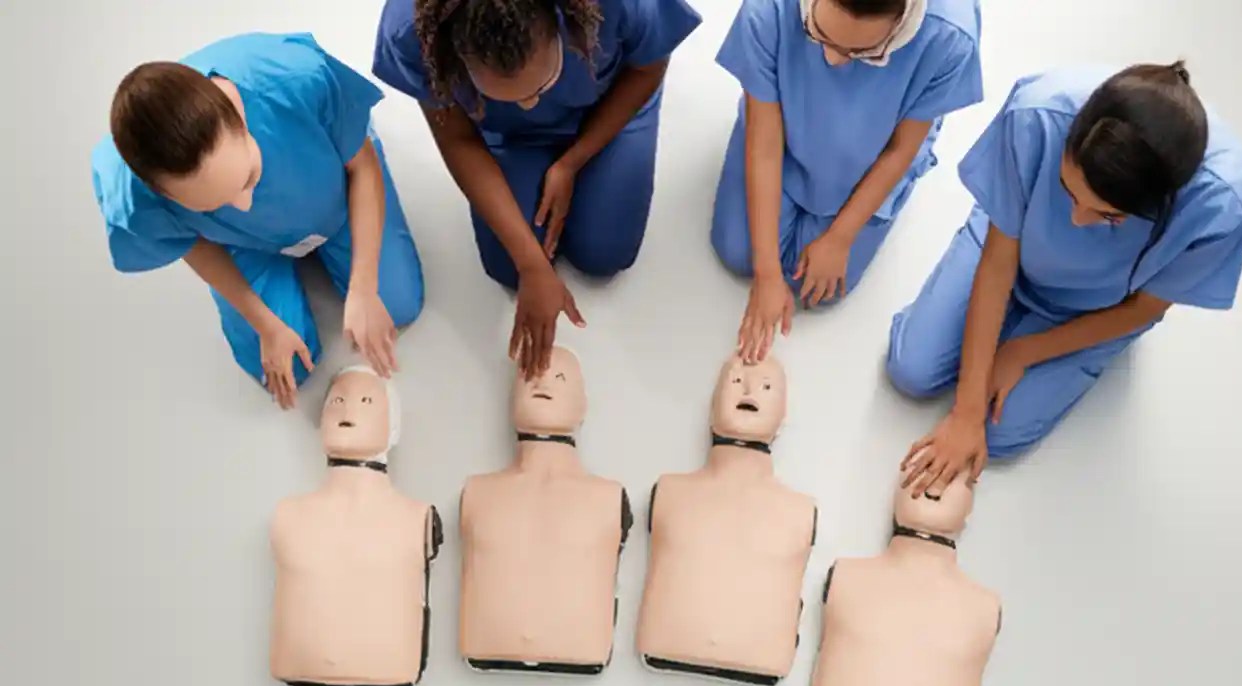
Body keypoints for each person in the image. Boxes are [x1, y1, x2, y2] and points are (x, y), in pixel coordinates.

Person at [889, 63, 1242, 495]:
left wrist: (1022, 352)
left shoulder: (1222, 204)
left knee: (999, 435)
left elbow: (1145, 308)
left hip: (1102, 304)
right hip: (1009, 252)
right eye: (1066, 191)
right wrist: (966, 410)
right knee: (911, 369)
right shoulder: (1038, 114)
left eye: (1108, 217)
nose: (1074, 218)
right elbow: (997, 262)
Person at [91, 33, 424, 410]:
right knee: (286, 369)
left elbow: (362, 166)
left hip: (334, 189)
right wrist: (265, 323)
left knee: (396, 305)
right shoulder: (137, 199)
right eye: (215, 205)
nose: (245, 205)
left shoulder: (296, 81)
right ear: (162, 194)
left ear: (239, 112)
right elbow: (189, 243)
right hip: (241, 244)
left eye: (249, 178)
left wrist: (363, 288)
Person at [372, 0, 702, 377]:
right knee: (508, 268)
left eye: (541, 84)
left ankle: (586, 130)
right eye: (502, 93)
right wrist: (531, 265)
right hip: (502, 131)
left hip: (609, 96)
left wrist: (574, 160)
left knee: (604, 255)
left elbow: (648, 66)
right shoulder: (416, 33)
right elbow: (458, 139)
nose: (529, 105)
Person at [712, 0, 983, 362]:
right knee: (739, 253)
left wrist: (840, 238)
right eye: (817, 34)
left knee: (816, 289)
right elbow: (764, 143)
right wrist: (766, 272)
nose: (834, 61)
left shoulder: (949, 36)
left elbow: (900, 149)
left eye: (863, 52)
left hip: (880, 144)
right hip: (780, 124)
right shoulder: (768, 10)